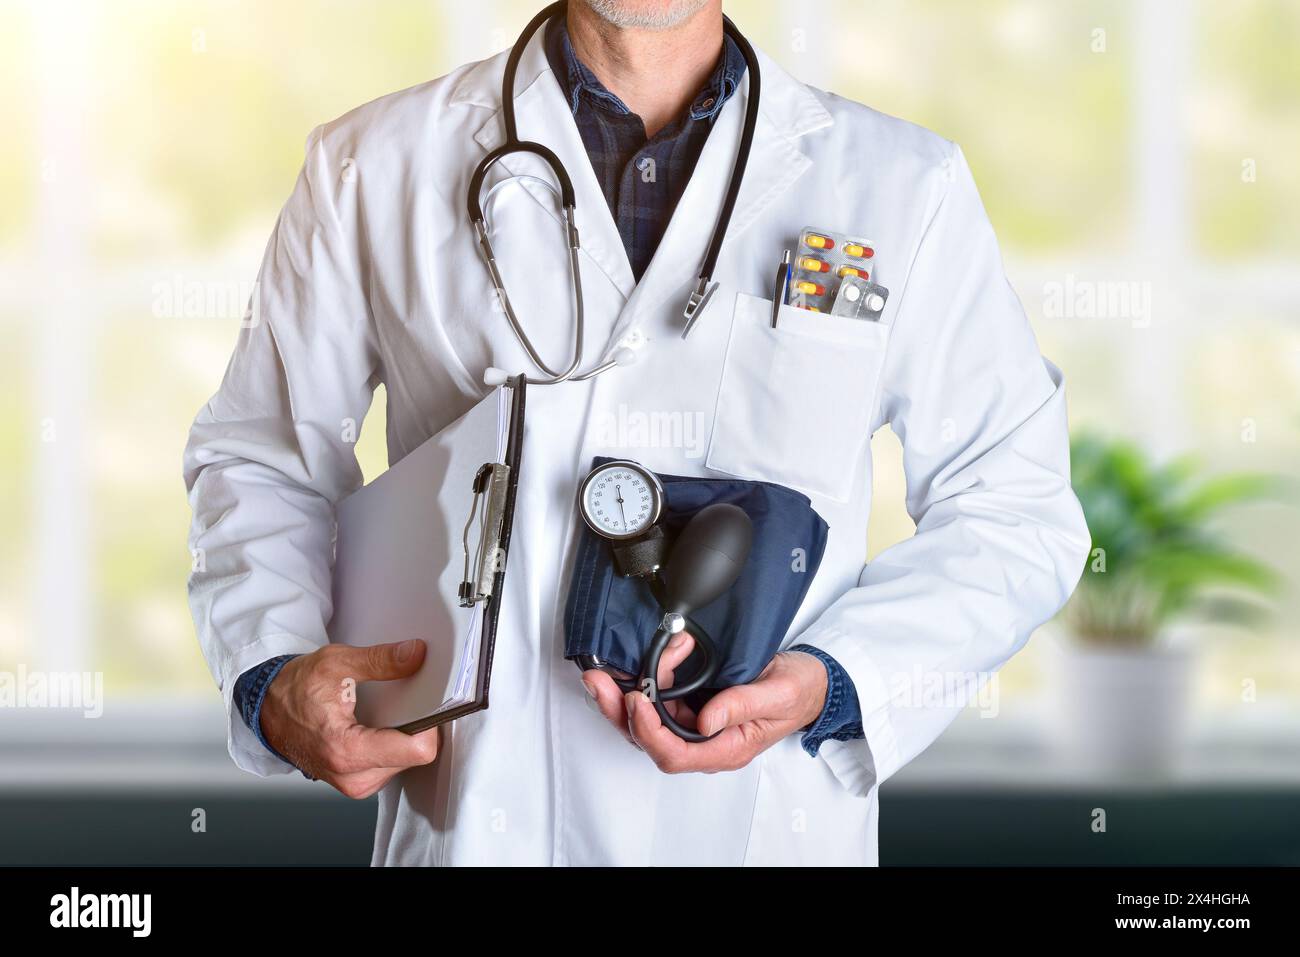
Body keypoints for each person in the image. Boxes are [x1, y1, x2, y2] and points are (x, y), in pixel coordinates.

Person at [184, 0, 1090, 866]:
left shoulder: (901, 184)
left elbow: (1015, 510)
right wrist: (272, 679)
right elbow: (261, 459)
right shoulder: (369, 167)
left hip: (762, 826)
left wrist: (832, 681)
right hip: (480, 820)